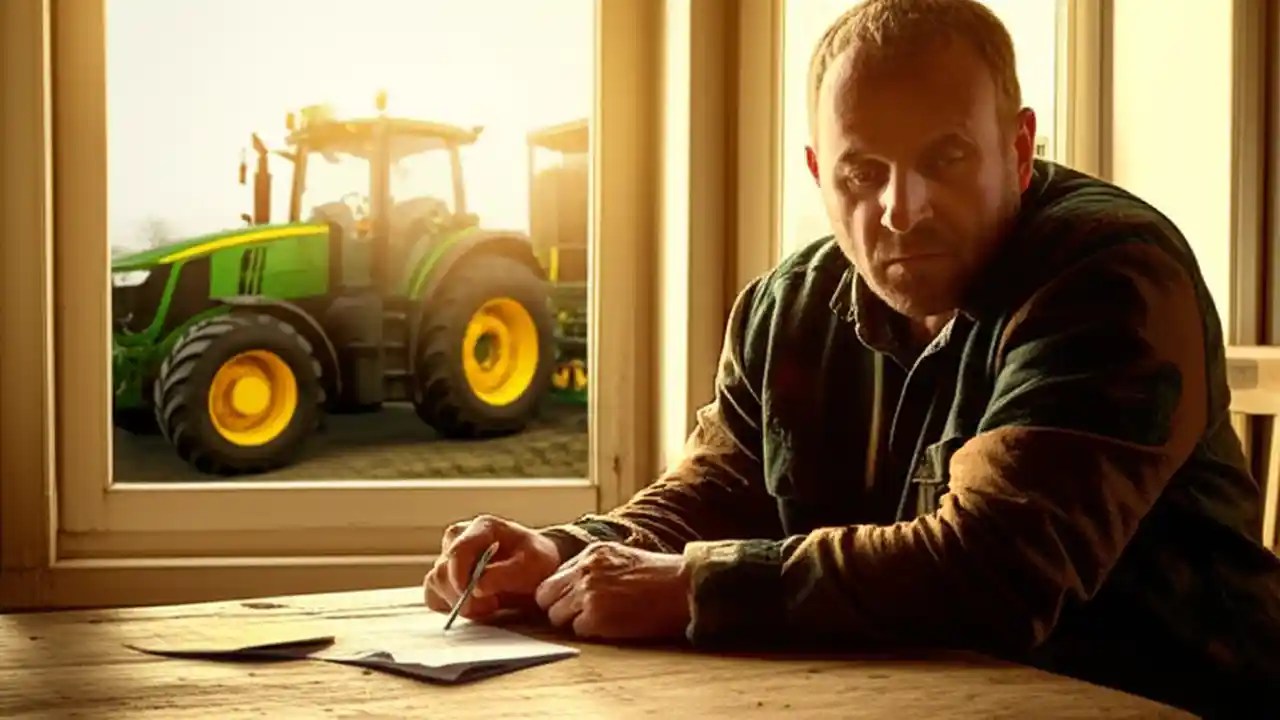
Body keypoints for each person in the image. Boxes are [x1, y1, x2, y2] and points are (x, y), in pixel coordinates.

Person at [424, 0, 1280, 714]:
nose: (900, 210)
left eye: (943, 158)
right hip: (915, 700)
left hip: (1163, 702)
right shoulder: (786, 303)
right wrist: (564, 551)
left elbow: (995, 573)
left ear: (1019, 150)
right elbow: (721, 490)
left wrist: (695, 587)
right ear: (817, 172)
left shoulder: (1108, 274)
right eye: (861, 172)